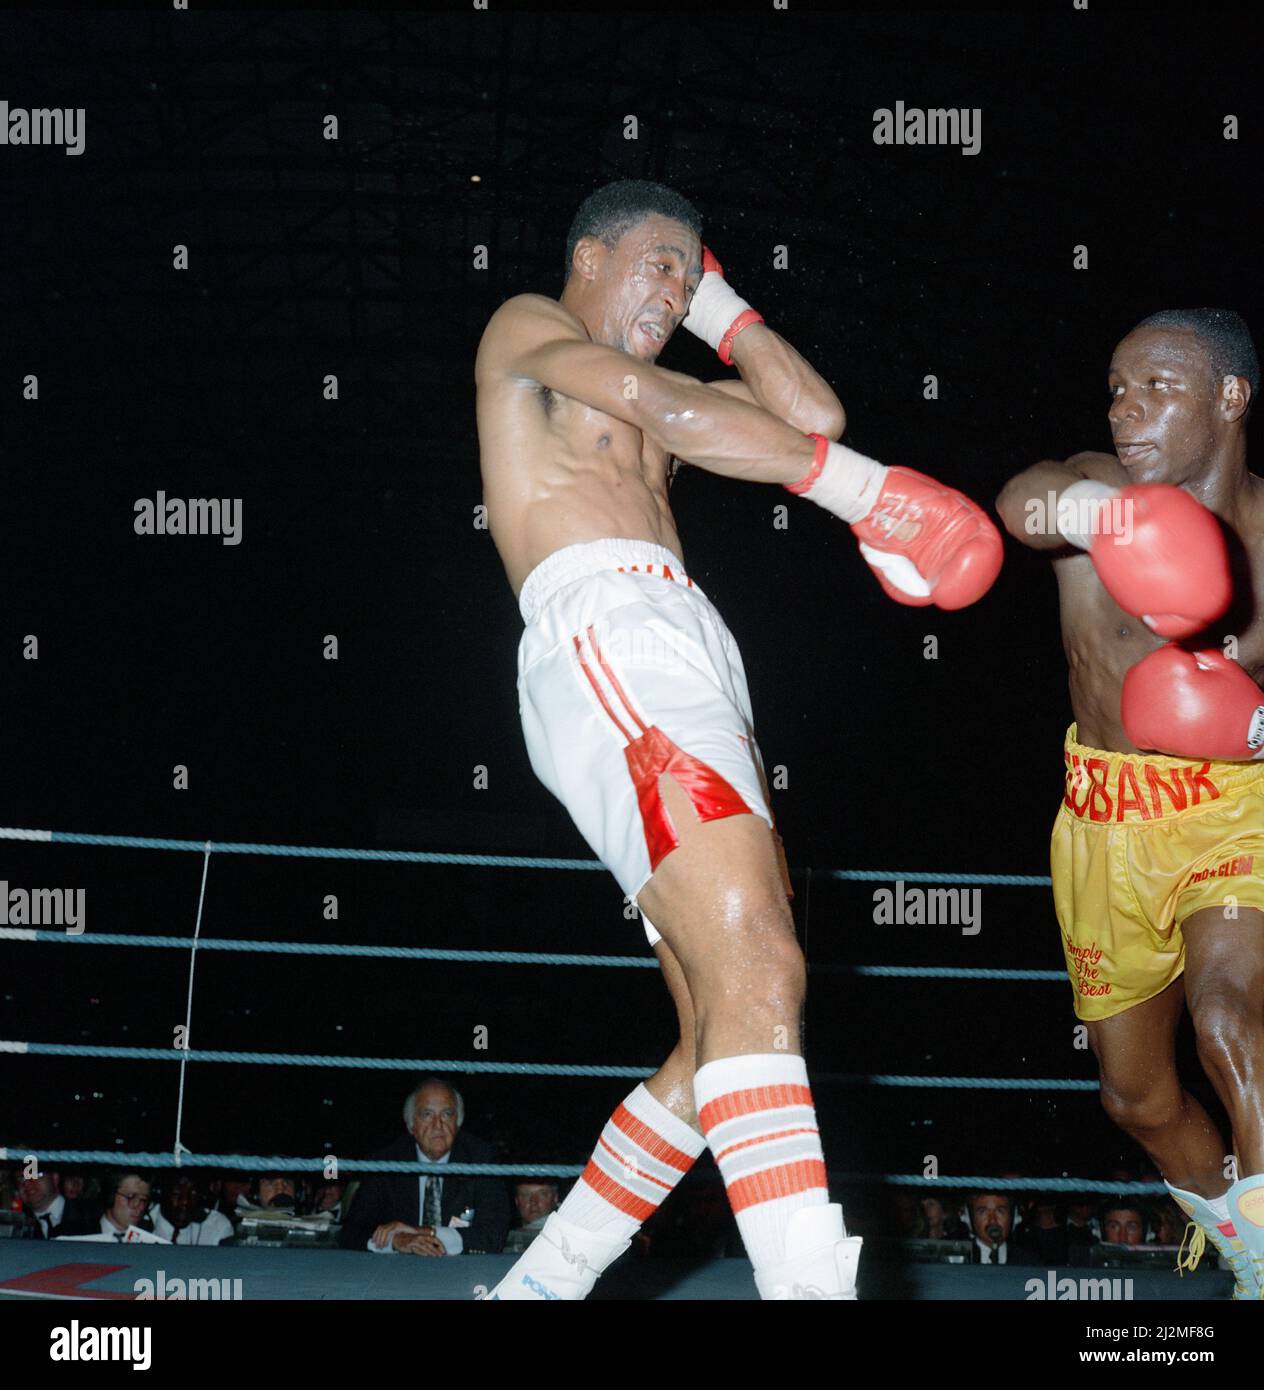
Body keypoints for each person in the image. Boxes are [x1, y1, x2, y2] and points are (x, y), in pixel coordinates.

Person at [476, 178, 1002, 1299]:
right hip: (607, 632)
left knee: (722, 1021)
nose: (670, 286)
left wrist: (728, 313)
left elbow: (809, 417)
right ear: (588, 255)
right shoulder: (527, 326)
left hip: (682, 641)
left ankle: (539, 1288)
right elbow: (676, 417)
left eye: (688, 268)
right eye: (658, 262)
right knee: (763, 961)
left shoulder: (673, 351)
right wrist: (871, 499)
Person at [996, 308, 1264, 1299]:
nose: (1125, 409)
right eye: (1116, 386)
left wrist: (1251, 729)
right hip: (1104, 815)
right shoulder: (1098, 491)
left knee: (1231, 1022)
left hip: (1235, 808)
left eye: (1157, 386)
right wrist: (1099, 520)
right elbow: (1020, 503)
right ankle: (1239, 1231)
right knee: (1137, 1096)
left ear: (1230, 398)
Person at [338, 1078, 510, 1255]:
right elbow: (351, 1233)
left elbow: (494, 1235)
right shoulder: (386, 1163)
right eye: (427, 1114)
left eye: (447, 1114)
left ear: (458, 1123)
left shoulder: (480, 1160)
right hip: (396, 1273)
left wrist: (423, 1232)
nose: (438, 1125)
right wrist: (396, 1240)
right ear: (411, 1125)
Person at [149, 1172, 234, 1246]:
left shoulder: (218, 1226)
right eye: (176, 1193)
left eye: (194, 1194)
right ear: (160, 1193)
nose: (185, 1201)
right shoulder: (141, 1218)